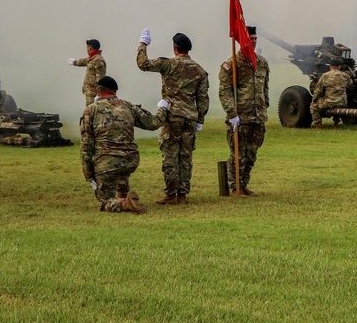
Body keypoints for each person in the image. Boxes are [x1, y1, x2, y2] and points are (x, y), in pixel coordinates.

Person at [137, 29, 210, 204]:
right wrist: (200, 120)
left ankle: (171, 195)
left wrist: (143, 44)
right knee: (185, 157)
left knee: (170, 156)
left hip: (172, 116)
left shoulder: (168, 64)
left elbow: (143, 64)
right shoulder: (200, 70)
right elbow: (203, 99)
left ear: (175, 48)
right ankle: (183, 195)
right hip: (190, 118)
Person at [80, 76, 167, 214]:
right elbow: (154, 123)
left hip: (106, 163)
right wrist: (163, 108)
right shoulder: (128, 106)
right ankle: (124, 196)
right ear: (115, 91)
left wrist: (88, 174)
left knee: (105, 202)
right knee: (121, 172)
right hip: (130, 160)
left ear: (98, 90)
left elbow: (86, 145)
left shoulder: (91, 110)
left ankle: (124, 204)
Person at [219, 26, 269, 195]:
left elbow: (265, 88)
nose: (253, 42)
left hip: (258, 116)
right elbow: (224, 90)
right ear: (242, 41)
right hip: (240, 116)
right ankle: (235, 187)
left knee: (252, 154)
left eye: (255, 39)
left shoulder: (261, 62)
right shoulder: (232, 63)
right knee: (238, 154)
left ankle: (244, 184)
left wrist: (264, 106)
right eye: (250, 39)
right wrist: (232, 113)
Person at [310, 58, 350, 128]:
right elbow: (350, 84)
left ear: (330, 66)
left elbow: (318, 90)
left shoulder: (325, 75)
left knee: (313, 106)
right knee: (337, 105)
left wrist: (314, 99)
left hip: (330, 102)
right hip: (343, 102)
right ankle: (336, 124)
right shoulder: (345, 75)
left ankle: (319, 126)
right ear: (339, 67)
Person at [69, 39, 107, 107]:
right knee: (89, 110)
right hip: (90, 92)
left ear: (90, 48)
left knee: (92, 111)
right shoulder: (92, 58)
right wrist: (74, 62)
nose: (86, 49)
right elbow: (84, 61)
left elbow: (100, 78)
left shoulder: (98, 61)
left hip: (94, 92)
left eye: (87, 47)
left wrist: (99, 94)